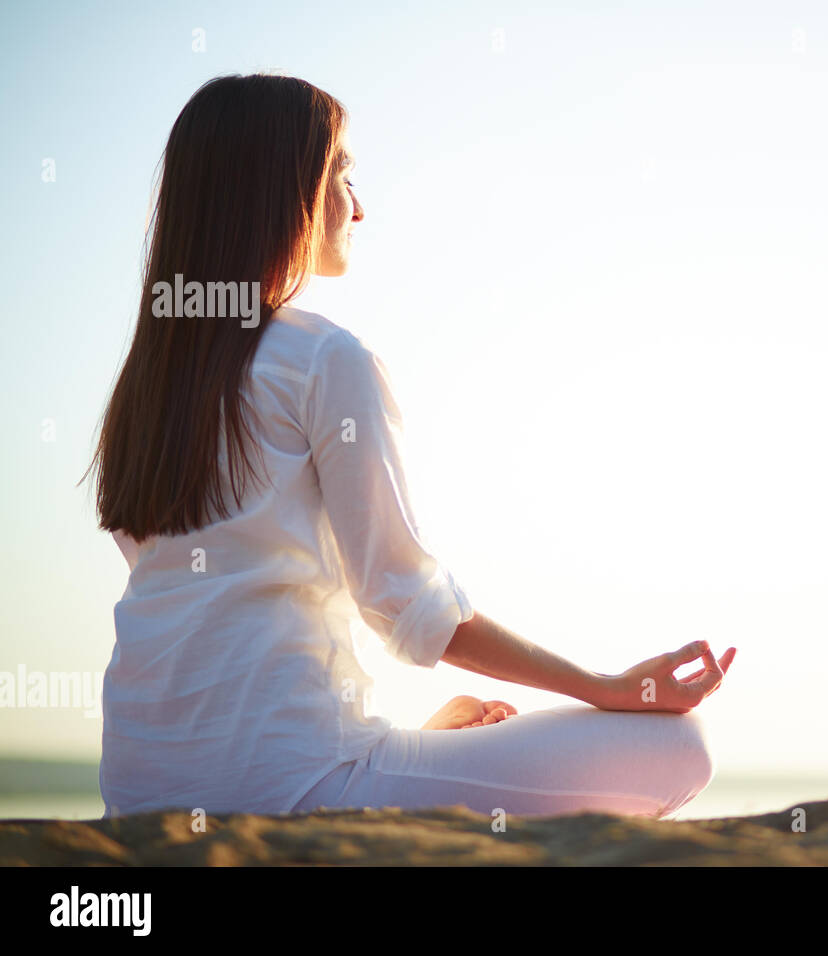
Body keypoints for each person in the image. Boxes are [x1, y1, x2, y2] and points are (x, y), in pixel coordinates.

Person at [81, 73, 736, 822]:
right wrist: (609, 686)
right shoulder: (326, 361)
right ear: (276, 189)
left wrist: (400, 746)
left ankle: (387, 767)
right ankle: (380, 776)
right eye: (341, 173)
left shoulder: (145, 389)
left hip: (136, 796)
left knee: (390, 749)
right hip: (295, 788)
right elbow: (408, 606)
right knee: (682, 747)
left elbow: (215, 622)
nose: (357, 205)